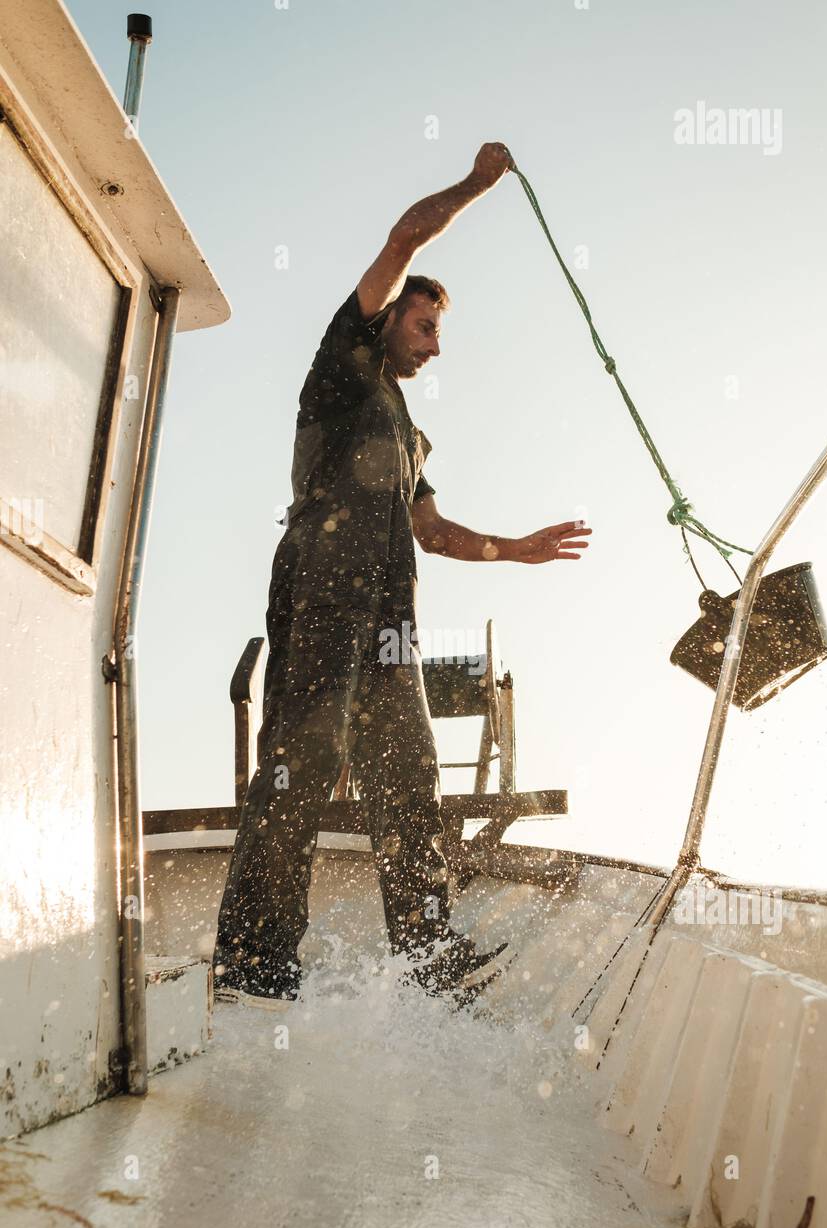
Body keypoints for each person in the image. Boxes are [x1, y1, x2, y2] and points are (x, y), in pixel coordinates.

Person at [212, 142, 592, 1008]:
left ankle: (426, 953)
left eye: (438, 329)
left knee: (409, 773)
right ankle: (255, 960)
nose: (433, 341)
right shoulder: (342, 372)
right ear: (385, 322)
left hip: (390, 630)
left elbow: (434, 532)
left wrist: (518, 548)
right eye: (424, 324)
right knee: (297, 768)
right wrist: (479, 184)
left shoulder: (409, 434)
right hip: (319, 600)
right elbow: (402, 238)